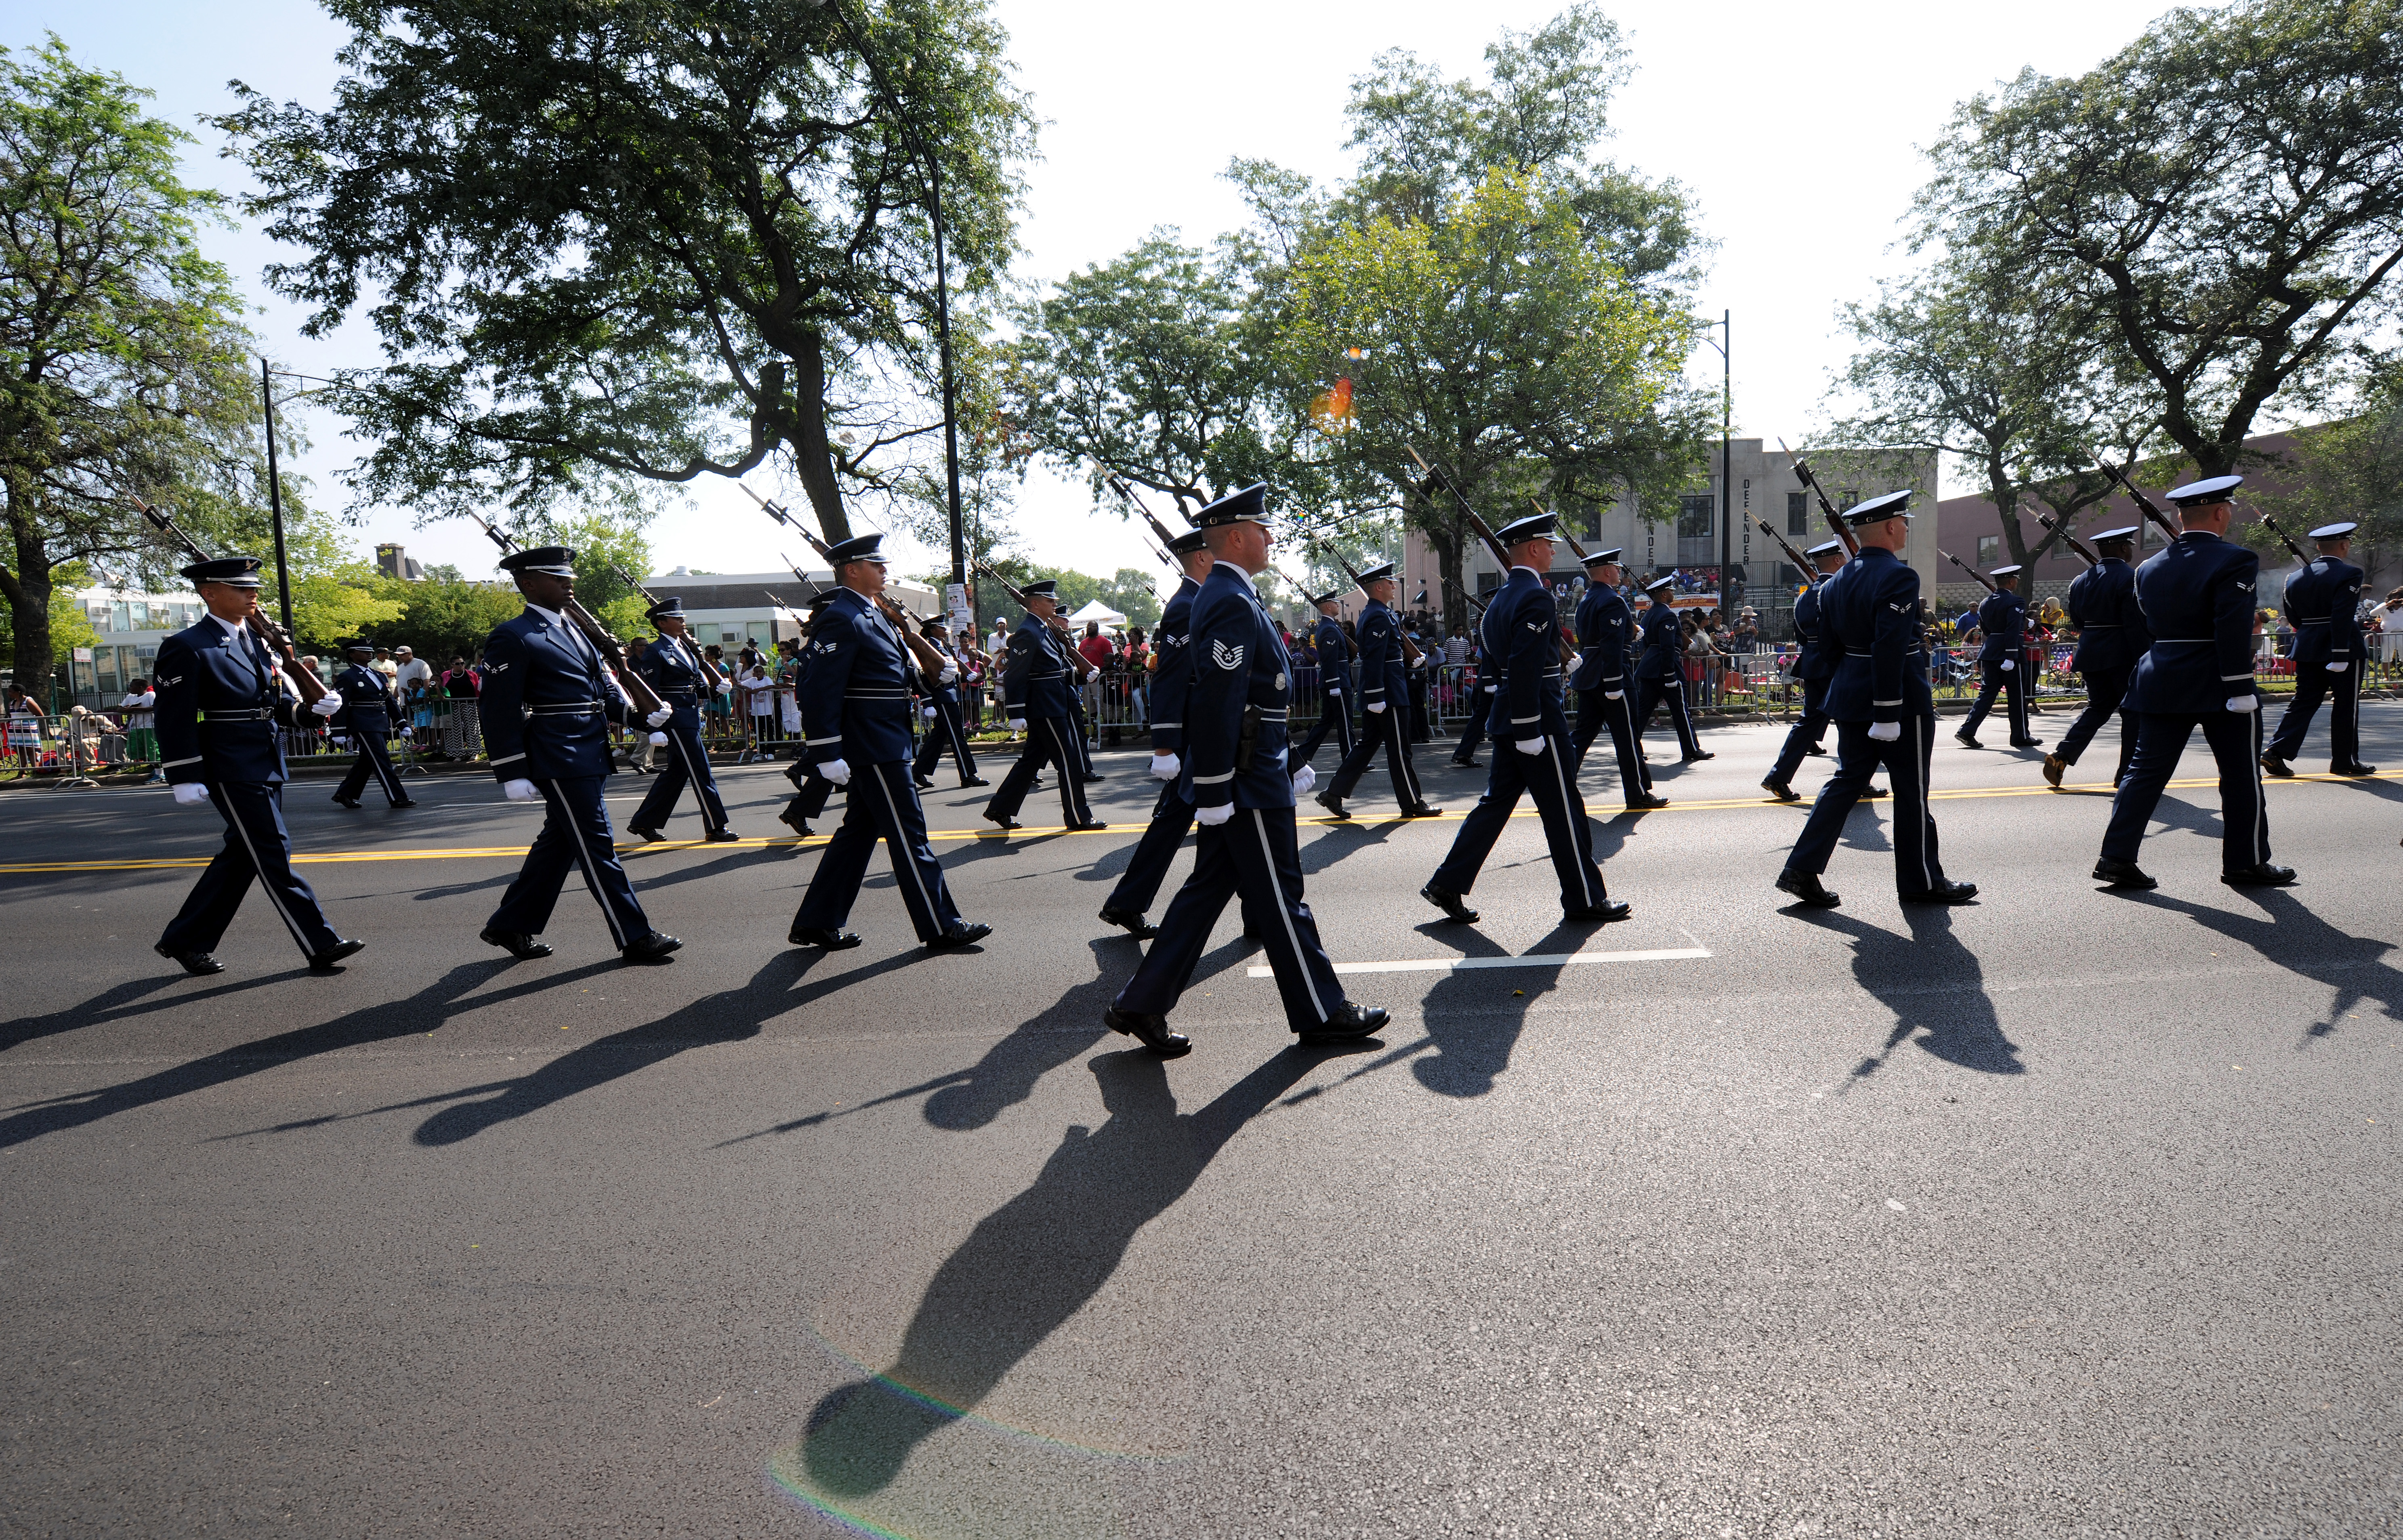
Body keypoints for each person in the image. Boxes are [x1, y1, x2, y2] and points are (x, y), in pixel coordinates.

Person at [1104, 483, 1386, 1056]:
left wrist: (1288, 764)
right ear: (1235, 536)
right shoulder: (1228, 598)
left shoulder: (1234, 593)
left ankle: (1139, 1003)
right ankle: (1321, 1009)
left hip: (1255, 769)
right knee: (1282, 895)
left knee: (1207, 890)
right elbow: (1218, 701)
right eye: (1262, 528)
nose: (1270, 536)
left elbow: (1254, 698)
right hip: (1245, 779)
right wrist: (1213, 786)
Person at [151, 555, 363, 975]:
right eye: (240, 589)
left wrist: (310, 711)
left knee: (243, 855)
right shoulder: (187, 646)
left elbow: (270, 706)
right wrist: (184, 774)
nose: (252, 595)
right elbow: (173, 718)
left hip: (265, 757)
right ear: (208, 593)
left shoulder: (255, 641)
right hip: (229, 763)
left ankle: (185, 939)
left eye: (254, 589)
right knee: (272, 851)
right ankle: (320, 942)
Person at [476, 545, 683, 964]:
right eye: (557, 578)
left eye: (569, 577)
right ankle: (635, 935)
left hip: (589, 749)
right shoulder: (513, 635)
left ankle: (510, 923)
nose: (569, 584)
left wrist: (641, 716)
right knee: (596, 844)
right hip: (557, 753)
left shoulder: (576, 629)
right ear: (528, 584)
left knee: (560, 843)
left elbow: (601, 690)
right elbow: (497, 709)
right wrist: (511, 770)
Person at [1422, 513, 1628, 927]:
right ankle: (1584, 898)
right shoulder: (1534, 598)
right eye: (1548, 544)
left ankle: (1448, 882)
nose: (1554, 551)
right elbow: (1523, 668)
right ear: (1533, 549)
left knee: (1495, 806)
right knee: (1565, 812)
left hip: (1508, 721)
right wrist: (1531, 727)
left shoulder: (1502, 598)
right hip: (1536, 723)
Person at [787, 532, 989, 952]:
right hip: (872, 742)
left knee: (859, 832)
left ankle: (817, 921)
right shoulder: (841, 617)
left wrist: (932, 684)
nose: (885, 571)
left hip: (887, 736)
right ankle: (940, 925)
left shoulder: (873, 613)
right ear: (852, 570)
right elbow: (820, 689)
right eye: (876, 565)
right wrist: (826, 751)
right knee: (909, 832)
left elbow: (890, 669)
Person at [1776, 491, 1977, 910]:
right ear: (1888, 527)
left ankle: (1801, 869)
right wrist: (1887, 711)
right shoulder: (1898, 577)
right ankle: (1921, 881)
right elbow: (1888, 646)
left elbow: (1830, 650)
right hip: (1897, 703)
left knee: (1845, 782)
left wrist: (1852, 688)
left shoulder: (1833, 584)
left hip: (1849, 697)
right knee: (1910, 792)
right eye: (1903, 522)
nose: (1905, 528)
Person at [2094, 477, 2291, 891]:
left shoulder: (2147, 567)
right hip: (2219, 682)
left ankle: (2115, 857)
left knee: (2143, 774)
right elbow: (2231, 627)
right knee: (2239, 776)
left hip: (2161, 675)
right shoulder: (2235, 559)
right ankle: (2246, 861)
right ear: (2220, 513)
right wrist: (2239, 687)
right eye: (2229, 510)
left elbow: (2150, 624)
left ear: (2182, 517)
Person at [1098, 527, 1214, 939]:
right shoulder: (1186, 606)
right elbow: (1170, 678)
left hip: (1204, 732)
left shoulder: (1200, 599)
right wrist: (1164, 745)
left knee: (1180, 821)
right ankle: (1127, 903)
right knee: (1175, 820)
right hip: (1193, 736)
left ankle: (1126, 902)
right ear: (1200, 557)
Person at [1317, 561, 1439, 819]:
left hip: (1386, 692)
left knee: (1367, 746)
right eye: (1391, 583)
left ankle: (1333, 793)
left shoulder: (1381, 613)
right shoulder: (1378, 615)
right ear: (1380, 587)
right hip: (1388, 695)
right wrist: (1376, 696)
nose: (1395, 586)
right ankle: (1412, 801)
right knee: (1400, 750)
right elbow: (1373, 659)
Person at [1762, 539, 1882, 804]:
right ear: (1838, 560)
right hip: (1838, 662)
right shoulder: (1838, 589)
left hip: (1814, 663)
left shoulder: (1804, 595)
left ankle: (1778, 776)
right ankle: (1859, 779)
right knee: (1852, 724)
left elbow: (1801, 635)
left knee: (1809, 722)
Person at [981, 580, 1105, 832]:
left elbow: (1050, 671)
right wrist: (1015, 712)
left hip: (1051, 702)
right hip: (1046, 708)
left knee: (1032, 760)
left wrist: (1081, 676)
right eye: (1050, 601)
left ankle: (1001, 807)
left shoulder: (1043, 629)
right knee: (1070, 760)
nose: (1055, 603)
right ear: (1035, 603)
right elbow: (1016, 674)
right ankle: (1078, 817)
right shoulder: (1029, 631)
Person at [2262, 521, 2377, 778]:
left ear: (2318, 547)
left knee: (2304, 702)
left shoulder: (2294, 577)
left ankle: (2275, 752)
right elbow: (2342, 614)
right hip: (2343, 649)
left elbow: (2293, 618)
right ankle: (2344, 760)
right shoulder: (2350, 573)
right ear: (2345, 545)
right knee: (2347, 705)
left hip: (2308, 647)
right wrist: (2339, 654)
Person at [2043, 526, 2149, 790]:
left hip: (2090, 653)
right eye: (2130, 546)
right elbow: (2134, 623)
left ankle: (2062, 755)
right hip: (2122, 655)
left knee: (2098, 707)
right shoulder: (2131, 577)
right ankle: (2126, 774)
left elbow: (2077, 622)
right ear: (2124, 548)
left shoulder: (2079, 581)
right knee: (2134, 712)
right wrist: (2145, 658)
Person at [626, 595, 739, 843]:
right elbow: (649, 692)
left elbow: (694, 684)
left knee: (676, 774)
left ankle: (644, 822)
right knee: (701, 771)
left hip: (690, 716)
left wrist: (713, 691)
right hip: (675, 720)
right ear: (662, 623)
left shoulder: (685, 648)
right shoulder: (656, 652)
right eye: (677, 618)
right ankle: (716, 826)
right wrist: (652, 726)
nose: (683, 621)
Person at [1569, 547, 1664, 809]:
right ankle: (1637, 793)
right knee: (1628, 738)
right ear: (1608, 572)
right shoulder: (1612, 600)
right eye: (1618, 569)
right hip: (1611, 678)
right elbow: (1610, 646)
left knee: (1581, 737)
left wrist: (1628, 633)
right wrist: (1614, 684)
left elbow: (1593, 637)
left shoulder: (1587, 599)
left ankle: (1559, 787)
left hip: (1589, 676)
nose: (1620, 573)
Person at [1956, 566, 2042, 750]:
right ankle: (2021, 735)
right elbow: (2011, 628)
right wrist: (2011, 656)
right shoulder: (2016, 601)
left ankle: (1967, 731)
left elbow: (1987, 630)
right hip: (2010, 655)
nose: (2017, 582)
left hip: (1991, 651)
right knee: (2017, 697)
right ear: (2011, 582)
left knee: (1986, 695)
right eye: (2016, 580)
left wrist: (2024, 624)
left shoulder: (1985, 602)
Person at [328, 638, 414, 809]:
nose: (369, 653)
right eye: (363, 651)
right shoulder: (347, 677)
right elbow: (342, 705)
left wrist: (401, 723)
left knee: (368, 761)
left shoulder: (378, 675)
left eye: (370, 651)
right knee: (382, 760)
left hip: (379, 722)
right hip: (363, 724)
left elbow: (388, 701)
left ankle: (345, 794)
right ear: (352, 654)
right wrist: (338, 730)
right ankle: (397, 797)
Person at [1632, 576, 1710, 762]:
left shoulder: (1650, 614)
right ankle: (1691, 749)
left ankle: (1633, 749)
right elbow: (1667, 646)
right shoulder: (1667, 615)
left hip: (1649, 667)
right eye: (1671, 591)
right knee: (1681, 711)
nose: (1674, 594)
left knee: (1642, 713)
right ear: (1664, 594)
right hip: (1666, 668)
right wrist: (1670, 675)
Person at [909, 616, 987, 789]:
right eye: (941, 627)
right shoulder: (928, 646)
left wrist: (964, 676)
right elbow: (925, 675)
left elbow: (948, 674)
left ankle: (918, 770)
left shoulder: (942, 646)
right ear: (932, 630)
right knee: (957, 735)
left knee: (939, 736)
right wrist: (928, 701)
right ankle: (968, 774)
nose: (946, 630)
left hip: (950, 695)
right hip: (941, 696)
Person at [1290, 591, 1356, 766]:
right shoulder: (1328, 628)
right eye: (1335, 603)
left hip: (1334, 682)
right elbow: (1329, 658)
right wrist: (1335, 684)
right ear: (1328, 606)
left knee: (1327, 721)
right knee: (1345, 721)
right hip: (1337, 683)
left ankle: (1301, 755)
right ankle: (1352, 760)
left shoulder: (1331, 626)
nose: (1338, 605)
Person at [118, 677, 158, 768]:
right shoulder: (130, 697)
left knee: (152, 749)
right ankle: (151, 763)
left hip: (149, 726)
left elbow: (155, 707)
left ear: (141, 687)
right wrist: (123, 709)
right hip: (136, 727)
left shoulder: (151, 695)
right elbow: (119, 708)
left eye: (132, 687)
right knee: (133, 749)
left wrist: (135, 709)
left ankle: (159, 770)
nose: (130, 688)